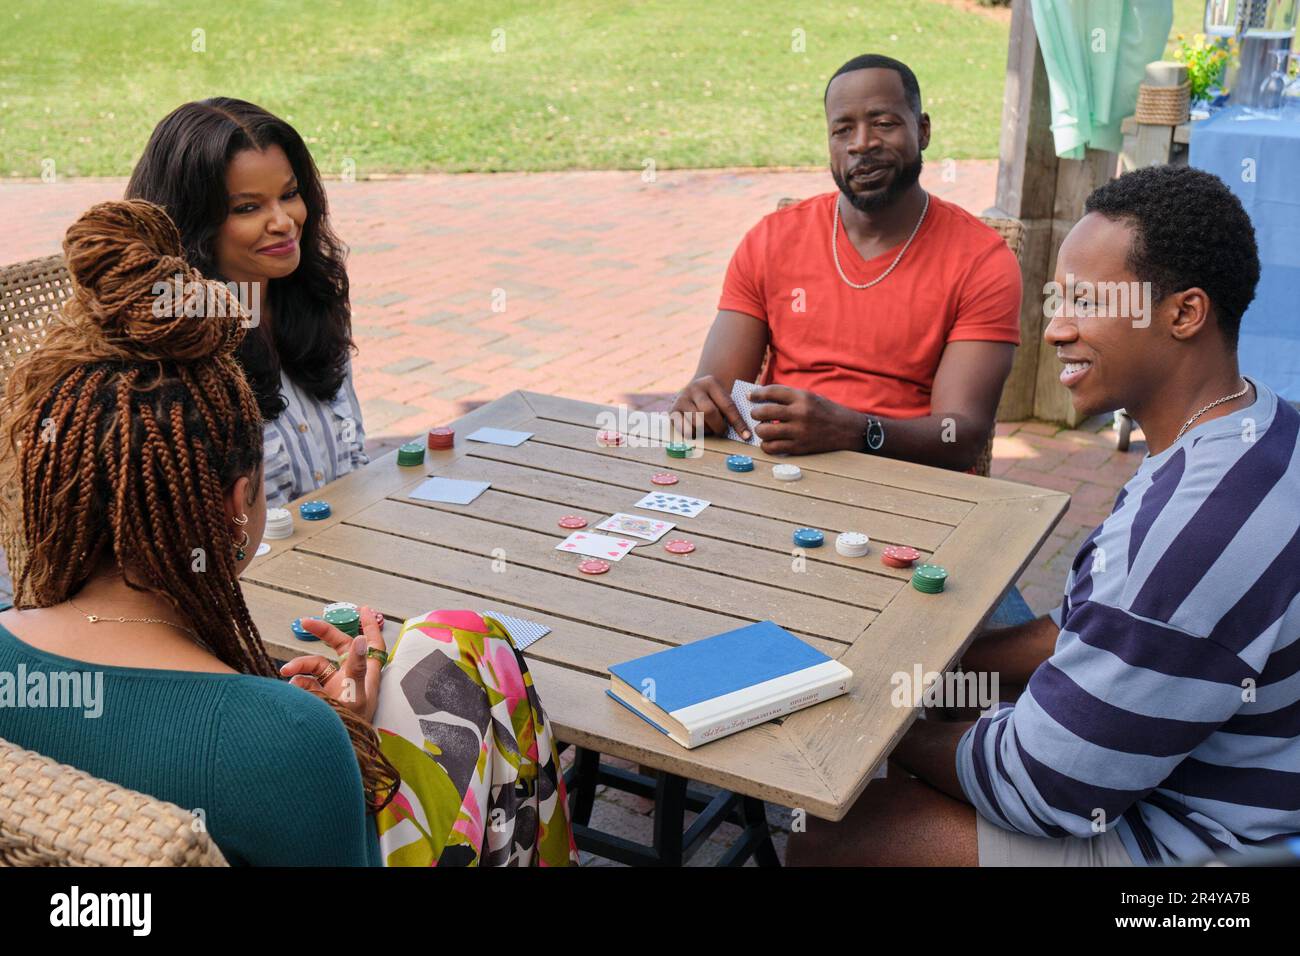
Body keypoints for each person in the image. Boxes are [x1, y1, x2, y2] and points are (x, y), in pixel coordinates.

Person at [0, 200, 576, 867]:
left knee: (453, 639)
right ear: (240, 501)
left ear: (57, 480)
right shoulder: (285, 741)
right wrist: (333, 744)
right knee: (473, 649)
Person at [787, 165, 1300, 867]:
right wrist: (933, 664)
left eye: (1086, 302)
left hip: (1204, 844)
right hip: (1240, 774)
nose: (1055, 330)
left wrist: (882, 729)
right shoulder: (1260, 425)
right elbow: (1089, 632)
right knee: (964, 659)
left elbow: (1045, 788)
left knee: (834, 827)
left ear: (1183, 314)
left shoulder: (1194, 527)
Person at [670, 54, 1022, 472]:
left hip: (908, 482)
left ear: (922, 130)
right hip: (777, 469)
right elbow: (719, 395)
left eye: (883, 123)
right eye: (843, 130)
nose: (862, 143)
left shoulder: (981, 260)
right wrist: (700, 404)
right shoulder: (772, 239)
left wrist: (855, 431)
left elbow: (960, 436)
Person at [126, 98, 366, 509]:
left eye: (289, 194)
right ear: (190, 224)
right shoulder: (174, 349)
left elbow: (356, 463)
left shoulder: (313, 299)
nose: (283, 221)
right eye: (248, 207)